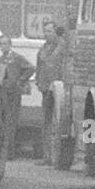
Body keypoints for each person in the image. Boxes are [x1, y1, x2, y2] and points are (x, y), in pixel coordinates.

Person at [0, 35, 33, 159]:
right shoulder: (0, 60)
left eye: (5, 43)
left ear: (10, 45)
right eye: (1, 44)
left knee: (11, 122)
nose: (3, 46)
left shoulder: (17, 58)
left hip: (13, 93)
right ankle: (3, 151)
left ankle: (10, 153)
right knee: (3, 122)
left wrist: (20, 80)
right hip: (2, 93)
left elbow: (31, 68)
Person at [34, 22, 63, 163]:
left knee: (57, 123)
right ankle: (47, 156)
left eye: (50, 31)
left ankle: (57, 157)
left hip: (59, 90)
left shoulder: (62, 48)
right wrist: (39, 82)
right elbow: (39, 67)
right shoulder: (43, 49)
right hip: (46, 90)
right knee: (46, 123)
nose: (46, 34)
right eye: (45, 31)